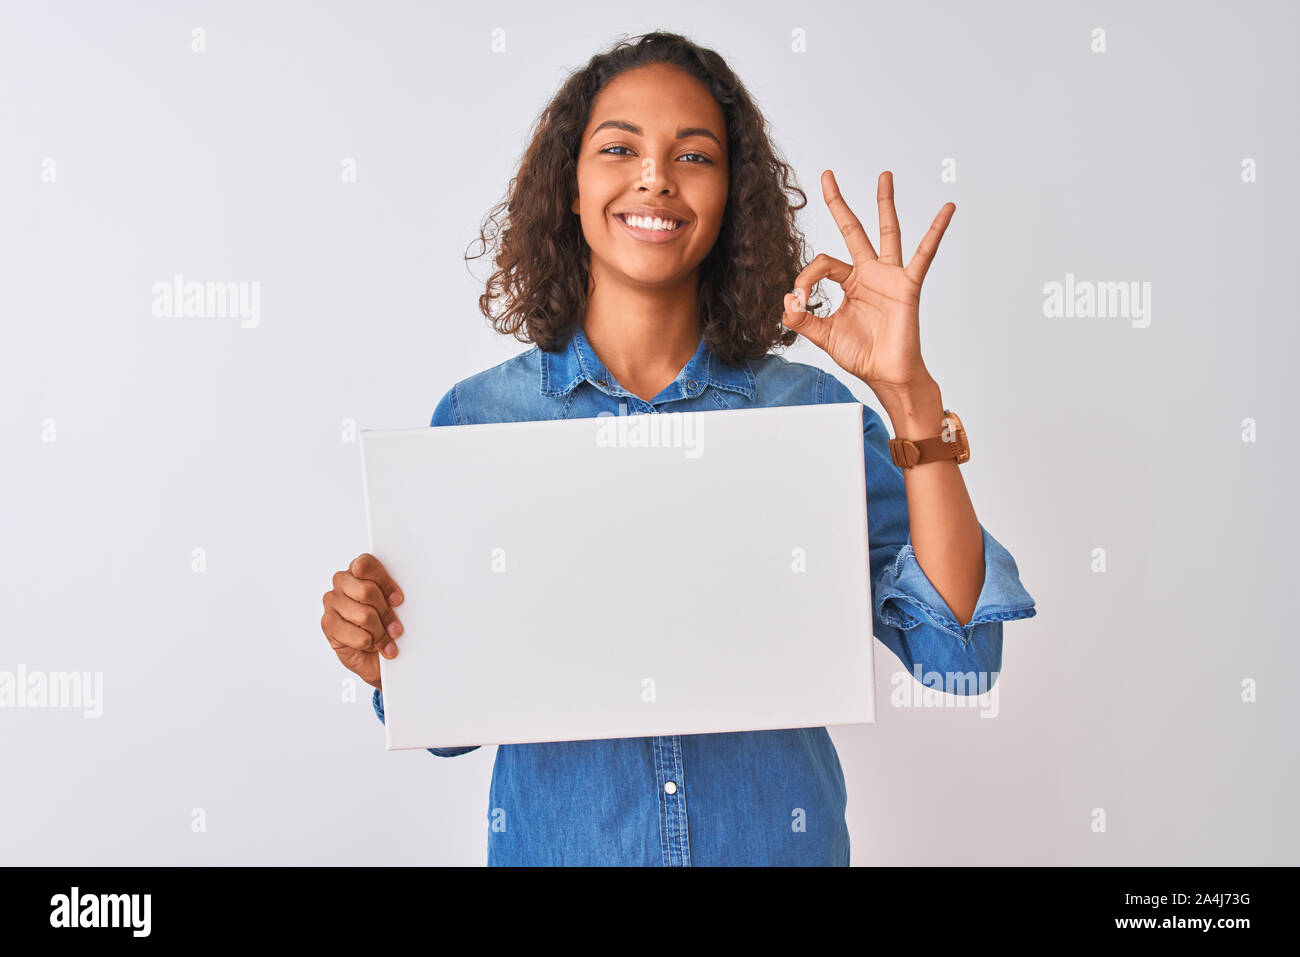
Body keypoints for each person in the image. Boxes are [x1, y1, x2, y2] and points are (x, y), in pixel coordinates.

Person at [320, 31, 1037, 866]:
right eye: (620, 147)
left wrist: (909, 393)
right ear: (572, 186)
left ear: (734, 195)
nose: (656, 176)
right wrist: (381, 654)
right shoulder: (482, 418)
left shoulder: (807, 411)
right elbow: (449, 724)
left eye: (693, 155)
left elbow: (959, 660)